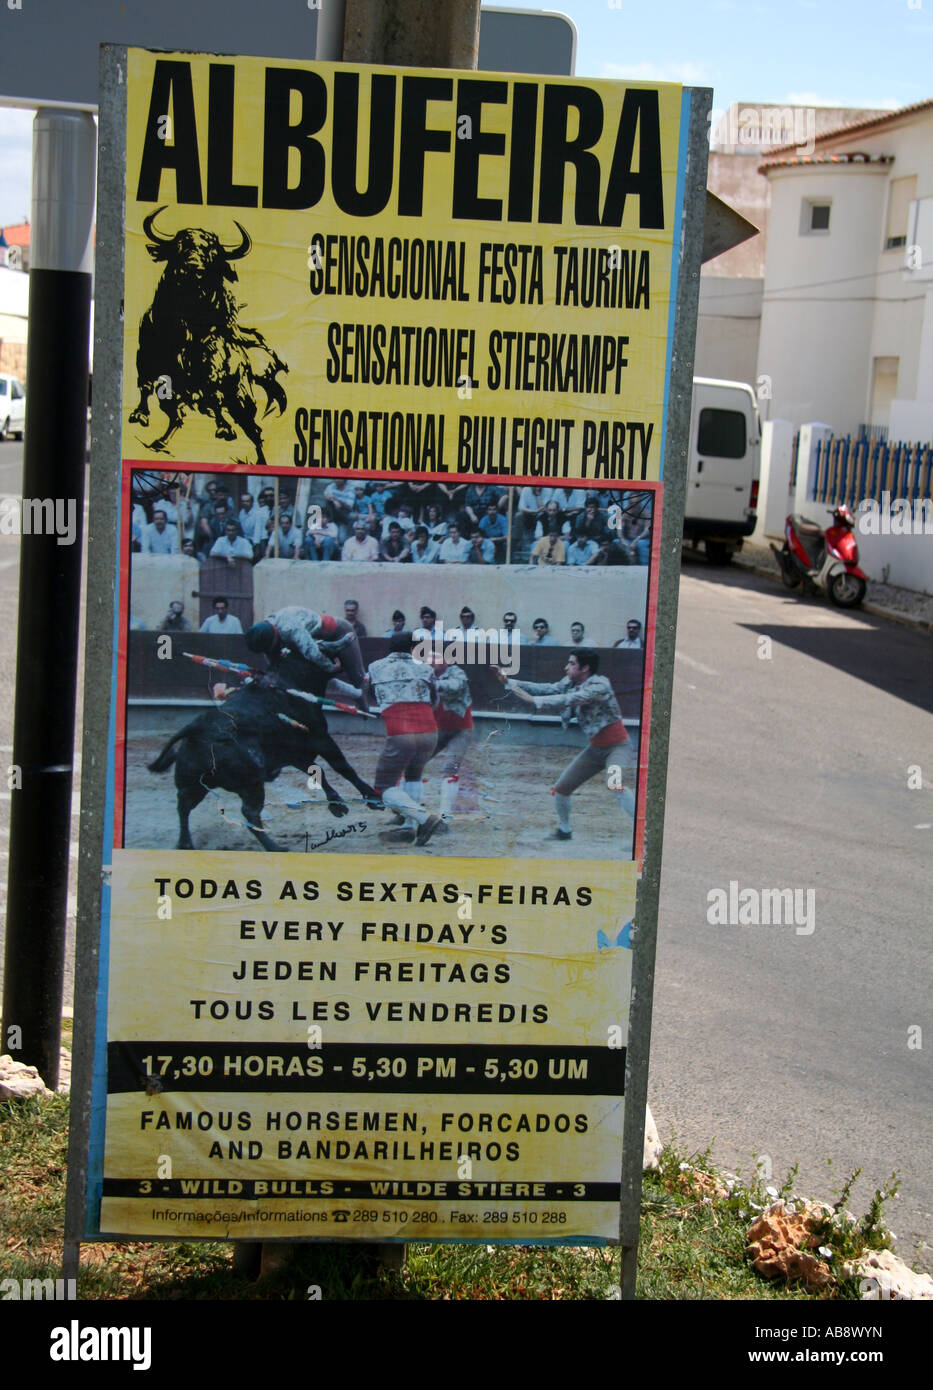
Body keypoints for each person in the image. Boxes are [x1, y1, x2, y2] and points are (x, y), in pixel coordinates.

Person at [496, 648, 635, 846]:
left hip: (617, 747)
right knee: (561, 789)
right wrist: (510, 682)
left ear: (585, 668)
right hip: (595, 750)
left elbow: (569, 699)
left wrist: (535, 702)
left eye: (571, 663)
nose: (566, 667)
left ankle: (642, 834)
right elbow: (548, 688)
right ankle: (564, 831)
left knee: (615, 784)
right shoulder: (570, 681)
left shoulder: (600, 685)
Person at [364, 631, 444, 846]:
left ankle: (424, 819)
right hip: (429, 731)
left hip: (401, 733)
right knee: (414, 774)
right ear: (413, 649)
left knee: (382, 788)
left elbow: (367, 694)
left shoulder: (375, 667)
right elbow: (435, 701)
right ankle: (410, 828)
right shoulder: (426, 668)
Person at [426, 661, 474, 829]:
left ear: (447, 661)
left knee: (450, 769)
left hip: (460, 731)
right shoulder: (425, 672)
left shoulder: (457, 673)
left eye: (436, 658)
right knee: (411, 765)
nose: (431, 662)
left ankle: (444, 820)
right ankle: (403, 814)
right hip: (436, 729)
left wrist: (427, 682)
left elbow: (455, 686)